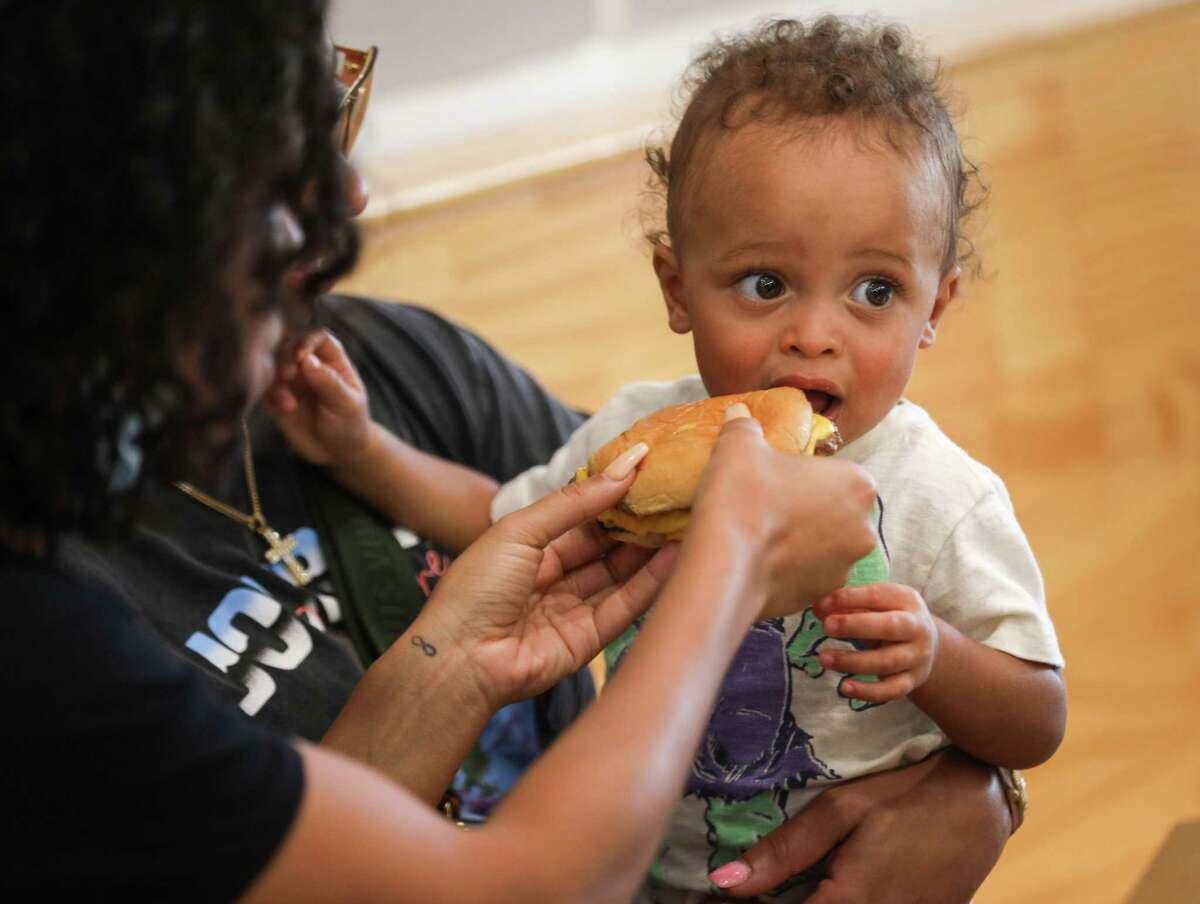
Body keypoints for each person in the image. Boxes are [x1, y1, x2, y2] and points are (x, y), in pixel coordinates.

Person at [0, 2, 888, 899]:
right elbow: (522, 888)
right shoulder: (40, 639)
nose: (348, 193)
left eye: (333, 104)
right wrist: (731, 569)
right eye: (278, 140)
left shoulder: (388, 359)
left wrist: (971, 785)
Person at [272, 15, 1067, 902]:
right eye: (764, 285)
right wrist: (363, 450)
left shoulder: (944, 496)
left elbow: (1038, 720)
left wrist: (938, 657)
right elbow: (513, 527)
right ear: (677, 289)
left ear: (936, 306)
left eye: (874, 291)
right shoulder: (647, 439)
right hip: (640, 864)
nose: (813, 335)